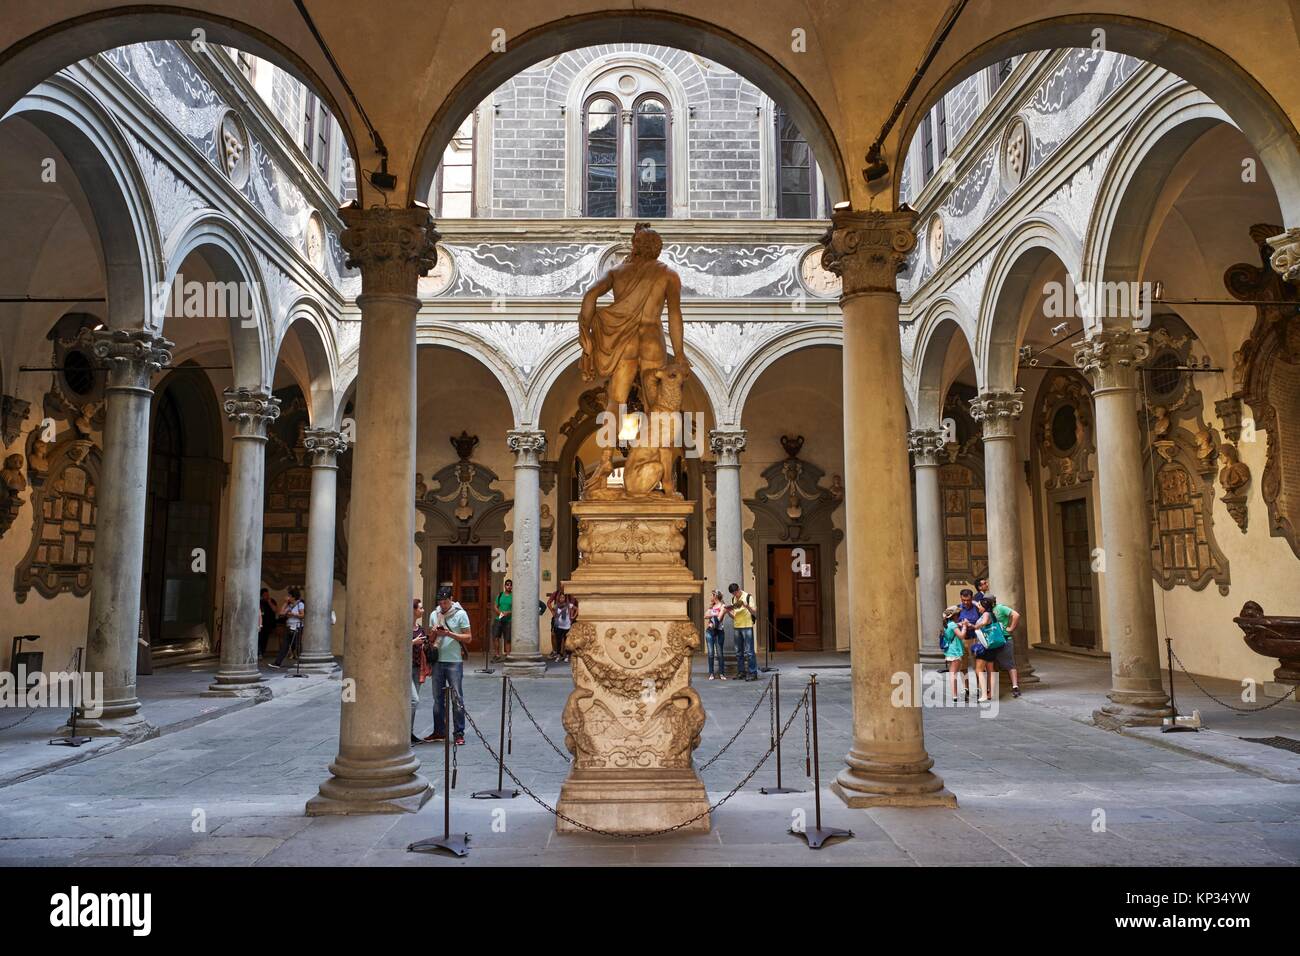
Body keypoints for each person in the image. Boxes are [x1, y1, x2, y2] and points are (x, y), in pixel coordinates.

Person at [426, 586, 471, 746]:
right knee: (437, 699)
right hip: (438, 661)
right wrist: (433, 633)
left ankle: (459, 733)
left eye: (446, 602)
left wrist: (449, 634)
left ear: (451, 599)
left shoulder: (460, 614)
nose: (443, 605)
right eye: (441, 602)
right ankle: (439, 731)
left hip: (454, 661)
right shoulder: (434, 614)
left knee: (457, 697)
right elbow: (430, 640)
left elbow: (468, 638)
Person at [975, 594, 1022, 699]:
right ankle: (990, 690)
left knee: (1009, 663)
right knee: (991, 666)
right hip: (991, 641)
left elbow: (1016, 615)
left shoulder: (1000, 608)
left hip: (1004, 638)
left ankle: (1015, 686)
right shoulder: (986, 611)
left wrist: (1011, 628)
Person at [410, 598, 433, 743]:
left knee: (413, 702)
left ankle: (409, 733)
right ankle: (404, 733)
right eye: (420, 608)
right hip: (406, 668)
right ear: (413, 610)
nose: (423, 610)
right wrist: (413, 642)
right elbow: (397, 645)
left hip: (418, 667)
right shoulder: (404, 627)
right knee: (413, 700)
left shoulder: (419, 628)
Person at [727, 582, 758, 681]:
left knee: (749, 651)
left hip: (747, 626)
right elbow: (734, 616)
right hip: (737, 626)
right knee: (738, 652)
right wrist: (728, 611)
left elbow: (754, 611)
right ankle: (741, 672)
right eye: (733, 594)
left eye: (735, 593)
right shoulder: (733, 599)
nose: (735, 595)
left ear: (738, 589)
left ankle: (753, 673)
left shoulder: (748, 597)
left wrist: (747, 606)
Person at [271, 586, 305, 668]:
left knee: (296, 646)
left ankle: (303, 662)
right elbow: (281, 613)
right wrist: (286, 603)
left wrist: (293, 614)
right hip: (289, 627)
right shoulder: (289, 605)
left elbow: (302, 615)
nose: (288, 597)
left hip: (297, 627)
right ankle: (277, 663)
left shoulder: (300, 604)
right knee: (285, 645)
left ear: (293, 597)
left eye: (289, 596)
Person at [939, 606, 966, 702]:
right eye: (958, 615)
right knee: (953, 674)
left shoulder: (948, 624)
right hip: (955, 651)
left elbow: (954, 627)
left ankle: (954, 695)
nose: (959, 616)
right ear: (954, 616)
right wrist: (965, 627)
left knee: (952, 673)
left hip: (949, 651)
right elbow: (961, 636)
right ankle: (954, 695)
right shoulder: (953, 625)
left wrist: (959, 624)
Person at [548, 585, 578, 663]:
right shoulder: (556, 605)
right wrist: (553, 612)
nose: (561, 599)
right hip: (558, 626)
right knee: (557, 639)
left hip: (566, 626)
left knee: (566, 641)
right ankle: (558, 654)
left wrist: (573, 616)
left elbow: (576, 608)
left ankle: (567, 655)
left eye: (563, 598)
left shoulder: (569, 604)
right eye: (560, 598)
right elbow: (550, 605)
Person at [704, 590, 728, 680]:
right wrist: (712, 614)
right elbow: (705, 616)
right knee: (710, 653)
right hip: (709, 631)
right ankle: (711, 673)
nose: (711, 597)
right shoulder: (712, 606)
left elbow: (719, 617)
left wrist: (712, 615)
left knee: (720, 653)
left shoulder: (723, 606)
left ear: (716, 596)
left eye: (712, 595)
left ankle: (721, 673)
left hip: (719, 631)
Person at [493, 579, 513, 663]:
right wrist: (500, 613)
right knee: (496, 637)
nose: (509, 586)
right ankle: (497, 654)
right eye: (507, 584)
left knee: (507, 638)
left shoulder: (513, 596)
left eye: (510, 585)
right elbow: (495, 606)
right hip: (499, 619)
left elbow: (515, 608)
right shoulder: (500, 595)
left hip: (508, 620)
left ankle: (508, 655)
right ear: (505, 586)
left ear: (512, 586)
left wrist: (508, 612)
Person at [258, 588, 278, 658]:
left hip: (269, 624)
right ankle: (259, 653)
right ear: (261, 595)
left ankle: (262, 652)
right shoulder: (259, 602)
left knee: (265, 639)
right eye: (265, 595)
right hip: (260, 624)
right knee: (259, 638)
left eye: (267, 594)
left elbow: (275, 610)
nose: (267, 596)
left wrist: (269, 602)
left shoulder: (272, 601)